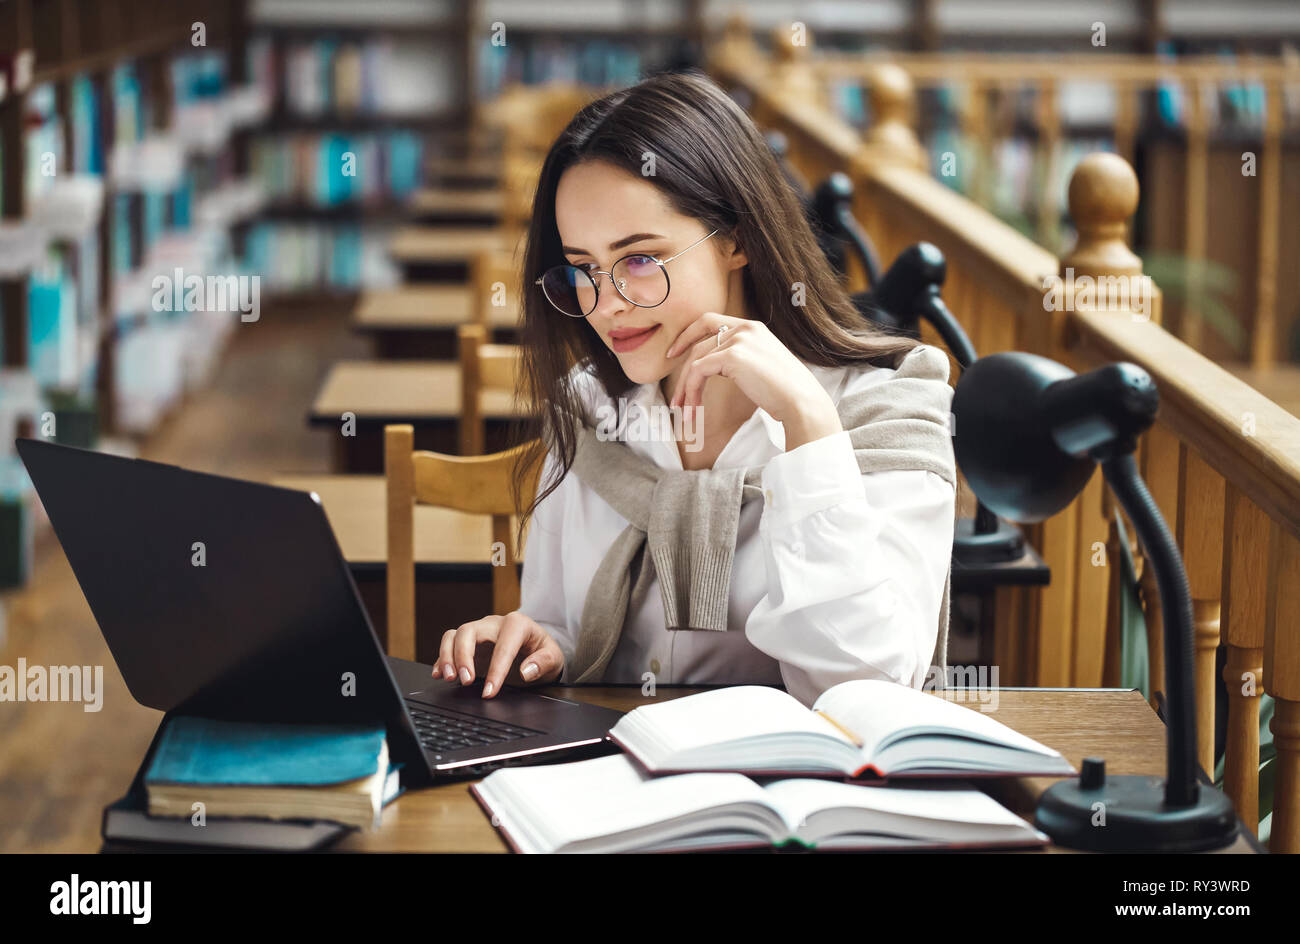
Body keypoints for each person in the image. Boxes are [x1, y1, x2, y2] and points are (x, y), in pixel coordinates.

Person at [433, 71, 957, 706]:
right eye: (584, 270)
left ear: (736, 237)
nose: (608, 306)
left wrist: (809, 428)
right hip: (614, 776)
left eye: (639, 260)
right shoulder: (589, 406)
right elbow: (567, 629)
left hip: (795, 792)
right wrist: (535, 644)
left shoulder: (888, 407)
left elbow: (868, 688)